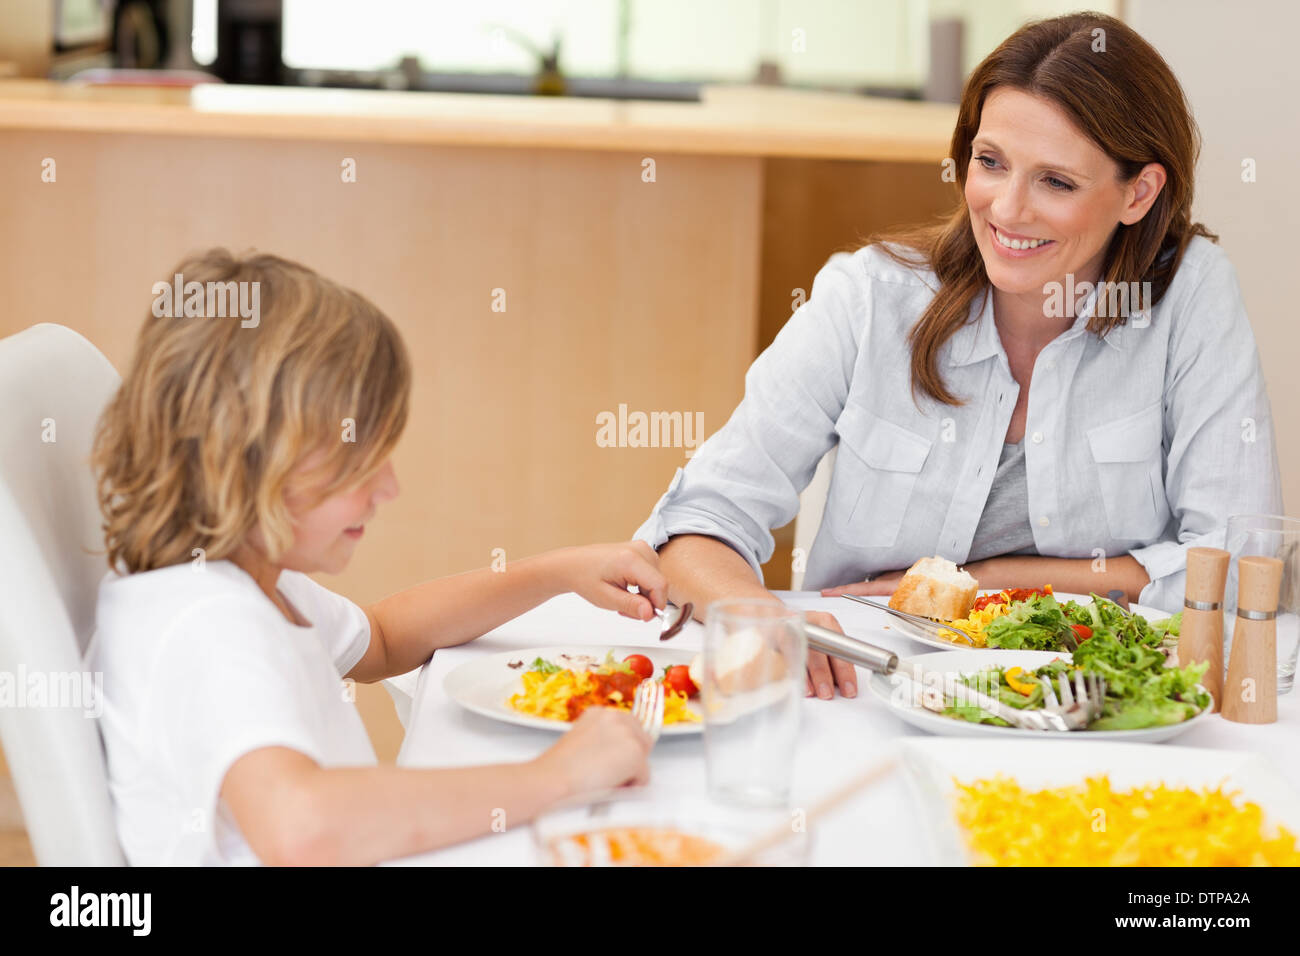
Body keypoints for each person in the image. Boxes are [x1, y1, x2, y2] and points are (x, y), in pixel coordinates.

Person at [634, 12, 1281, 700]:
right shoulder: (870, 297)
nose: (1007, 209)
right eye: (990, 162)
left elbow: (1243, 563)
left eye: (1055, 182)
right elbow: (694, 525)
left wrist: (1001, 579)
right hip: (870, 688)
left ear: (1138, 193)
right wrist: (762, 618)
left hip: (1095, 699)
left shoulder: (1190, 296)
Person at [86, 248, 664, 865]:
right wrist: (556, 778)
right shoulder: (209, 623)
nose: (388, 489)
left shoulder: (237, 585)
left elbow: (384, 639)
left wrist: (560, 572)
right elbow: (300, 831)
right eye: (359, 461)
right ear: (248, 455)